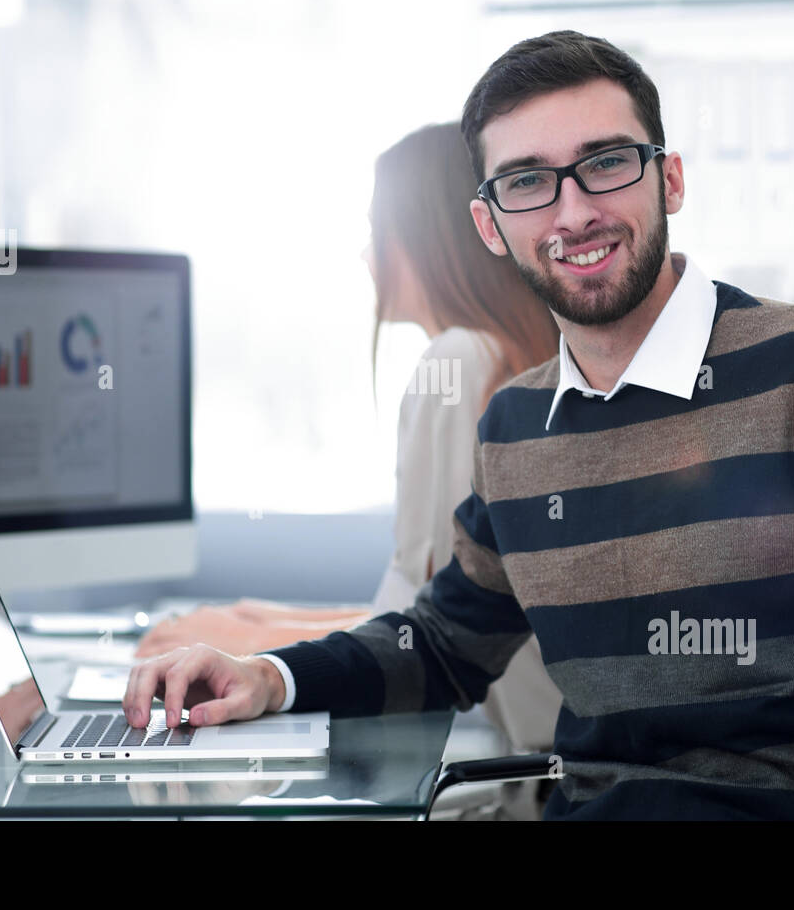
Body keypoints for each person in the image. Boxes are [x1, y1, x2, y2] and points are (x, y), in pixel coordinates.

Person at [124, 30, 794, 821]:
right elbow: (443, 647)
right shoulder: (518, 427)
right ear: (489, 225)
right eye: (527, 181)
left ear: (668, 178)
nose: (572, 211)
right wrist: (269, 678)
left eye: (605, 163)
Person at [134, 122, 563, 817]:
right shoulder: (508, 355)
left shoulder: (458, 362)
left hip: (521, 779)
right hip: (531, 755)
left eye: (377, 228)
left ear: (422, 236)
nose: (367, 254)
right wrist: (260, 623)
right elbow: (437, 601)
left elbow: (420, 623)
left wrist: (258, 651)